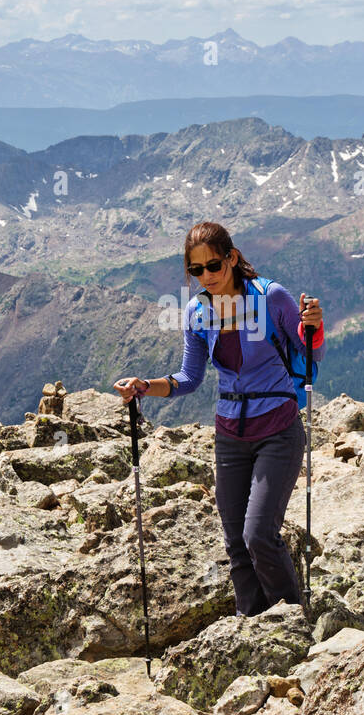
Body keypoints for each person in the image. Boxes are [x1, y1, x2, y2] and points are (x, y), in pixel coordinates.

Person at [113, 221, 325, 616]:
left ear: (232, 257)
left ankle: (290, 620)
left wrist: (313, 326)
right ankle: (252, 621)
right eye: (196, 271)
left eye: (213, 265)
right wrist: (144, 386)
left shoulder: (270, 297)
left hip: (279, 430)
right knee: (235, 541)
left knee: (258, 534)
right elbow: (189, 378)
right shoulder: (196, 311)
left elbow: (311, 354)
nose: (206, 276)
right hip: (230, 435)